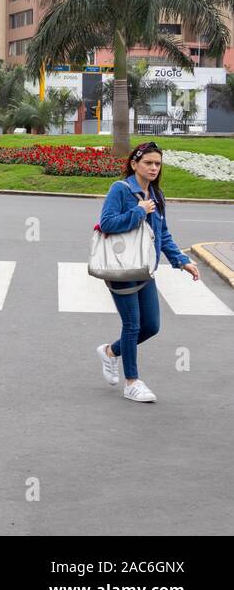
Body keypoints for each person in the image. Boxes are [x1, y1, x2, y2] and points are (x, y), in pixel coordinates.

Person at [95, 143, 199, 403]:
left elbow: (162, 233)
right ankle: (132, 382)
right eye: (148, 163)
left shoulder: (156, 194)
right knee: (132, 325)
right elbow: (107, 223)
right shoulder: (120, 190)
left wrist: (181, 260)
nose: (153, 168)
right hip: (120, 267)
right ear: (134, 164)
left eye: (157, 164)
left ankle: (110, 352)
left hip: (144, 268)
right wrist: (138, 211)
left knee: (151, 326)